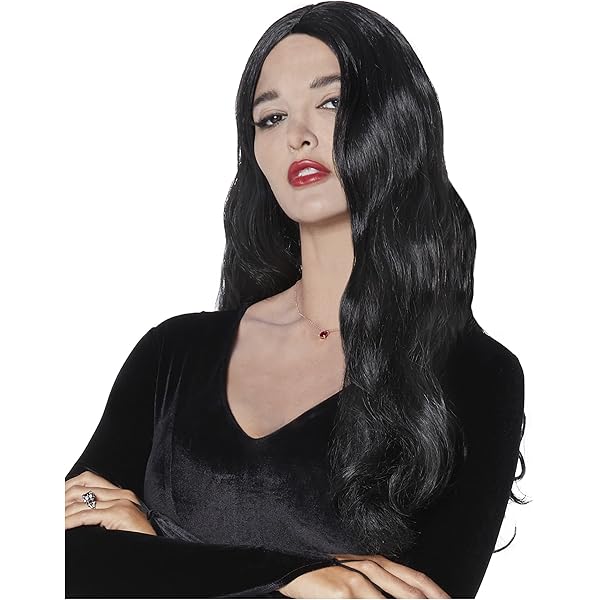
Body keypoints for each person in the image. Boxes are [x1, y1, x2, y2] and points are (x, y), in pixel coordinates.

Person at [64, 2, 527, 598]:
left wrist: (155, 548)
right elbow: (64, 558)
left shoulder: (477, 375)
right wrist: (301, 576)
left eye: (330, 103)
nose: (297, 135)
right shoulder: (171, 354)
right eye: (271, 116)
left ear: (396, 123)